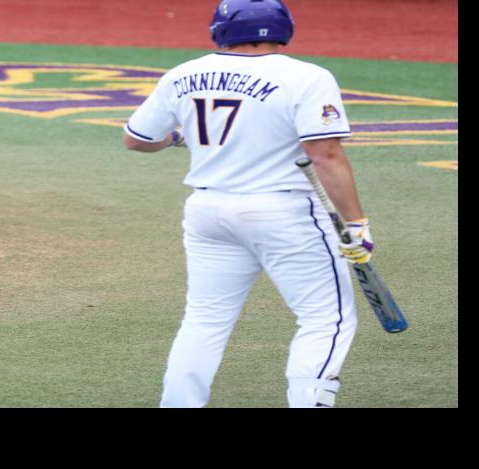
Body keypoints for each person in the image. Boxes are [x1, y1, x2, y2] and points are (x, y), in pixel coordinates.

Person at [123, 0, 376, 408]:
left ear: (219, 30)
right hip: (285, 215)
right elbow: (325, 154)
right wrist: (355, 224)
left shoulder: (183, 74)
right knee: (326, 317)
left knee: (204, 320)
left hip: (208, 214)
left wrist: (178, 138)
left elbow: (137, 139)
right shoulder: (308, 77)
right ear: (284, 29)